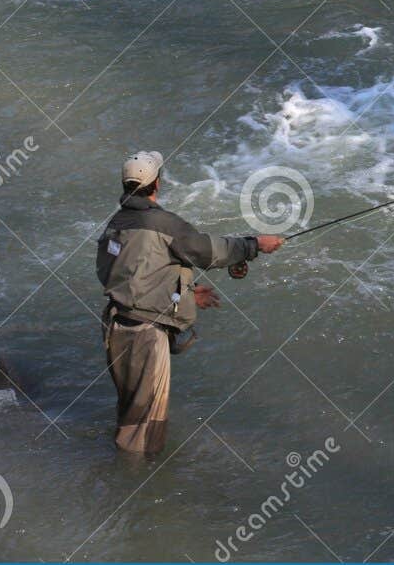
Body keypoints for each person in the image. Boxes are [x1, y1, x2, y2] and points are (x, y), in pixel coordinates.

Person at [95, 150, 283, 454]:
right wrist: (254, 245)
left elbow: (119, 275)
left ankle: (126, 471)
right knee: (145, 429)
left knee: (131, 413)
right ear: (157, 183)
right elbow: (209, 251)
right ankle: (138, 488)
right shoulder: (164, 223)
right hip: (146, 336)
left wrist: (185, 291)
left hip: (116, 328)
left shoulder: (116, 224)